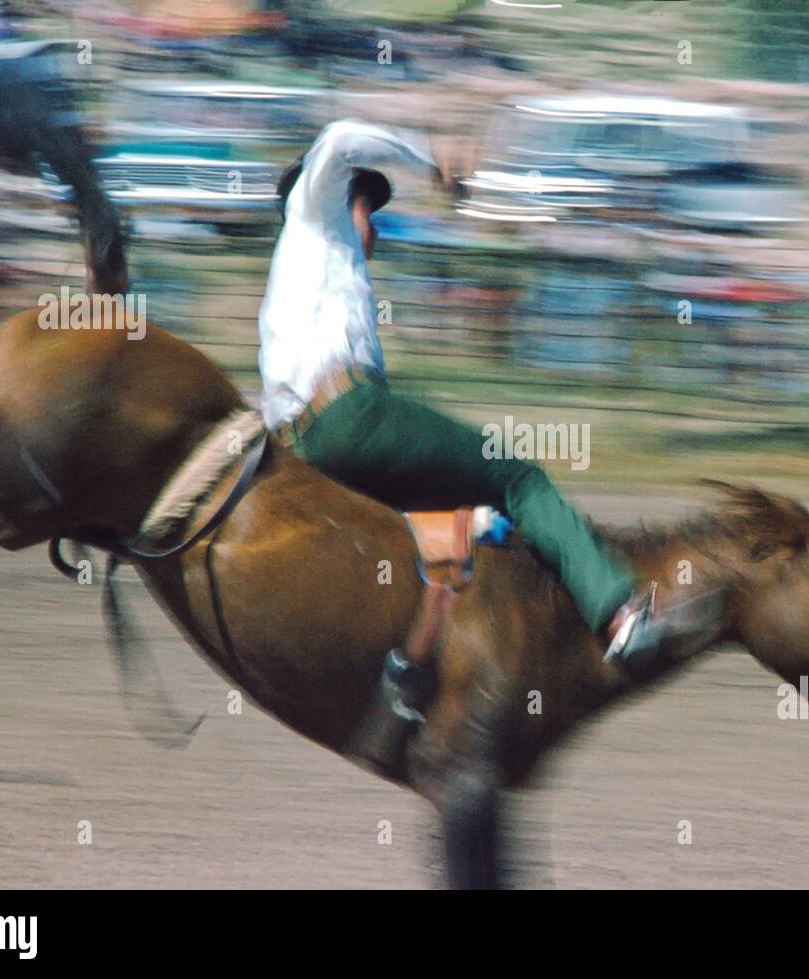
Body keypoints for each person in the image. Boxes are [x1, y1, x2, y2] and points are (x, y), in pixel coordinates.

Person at [257, 119, 704, 704]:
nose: (376, 232)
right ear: (340, 196)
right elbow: (341, 137)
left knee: (455, 525)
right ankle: (620, 615)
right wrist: (429, 157)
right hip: (348, 420)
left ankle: (410, 667)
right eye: (370, 210)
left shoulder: (298, 277)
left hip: (301, 449)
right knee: (519, 479)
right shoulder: (317, 210)